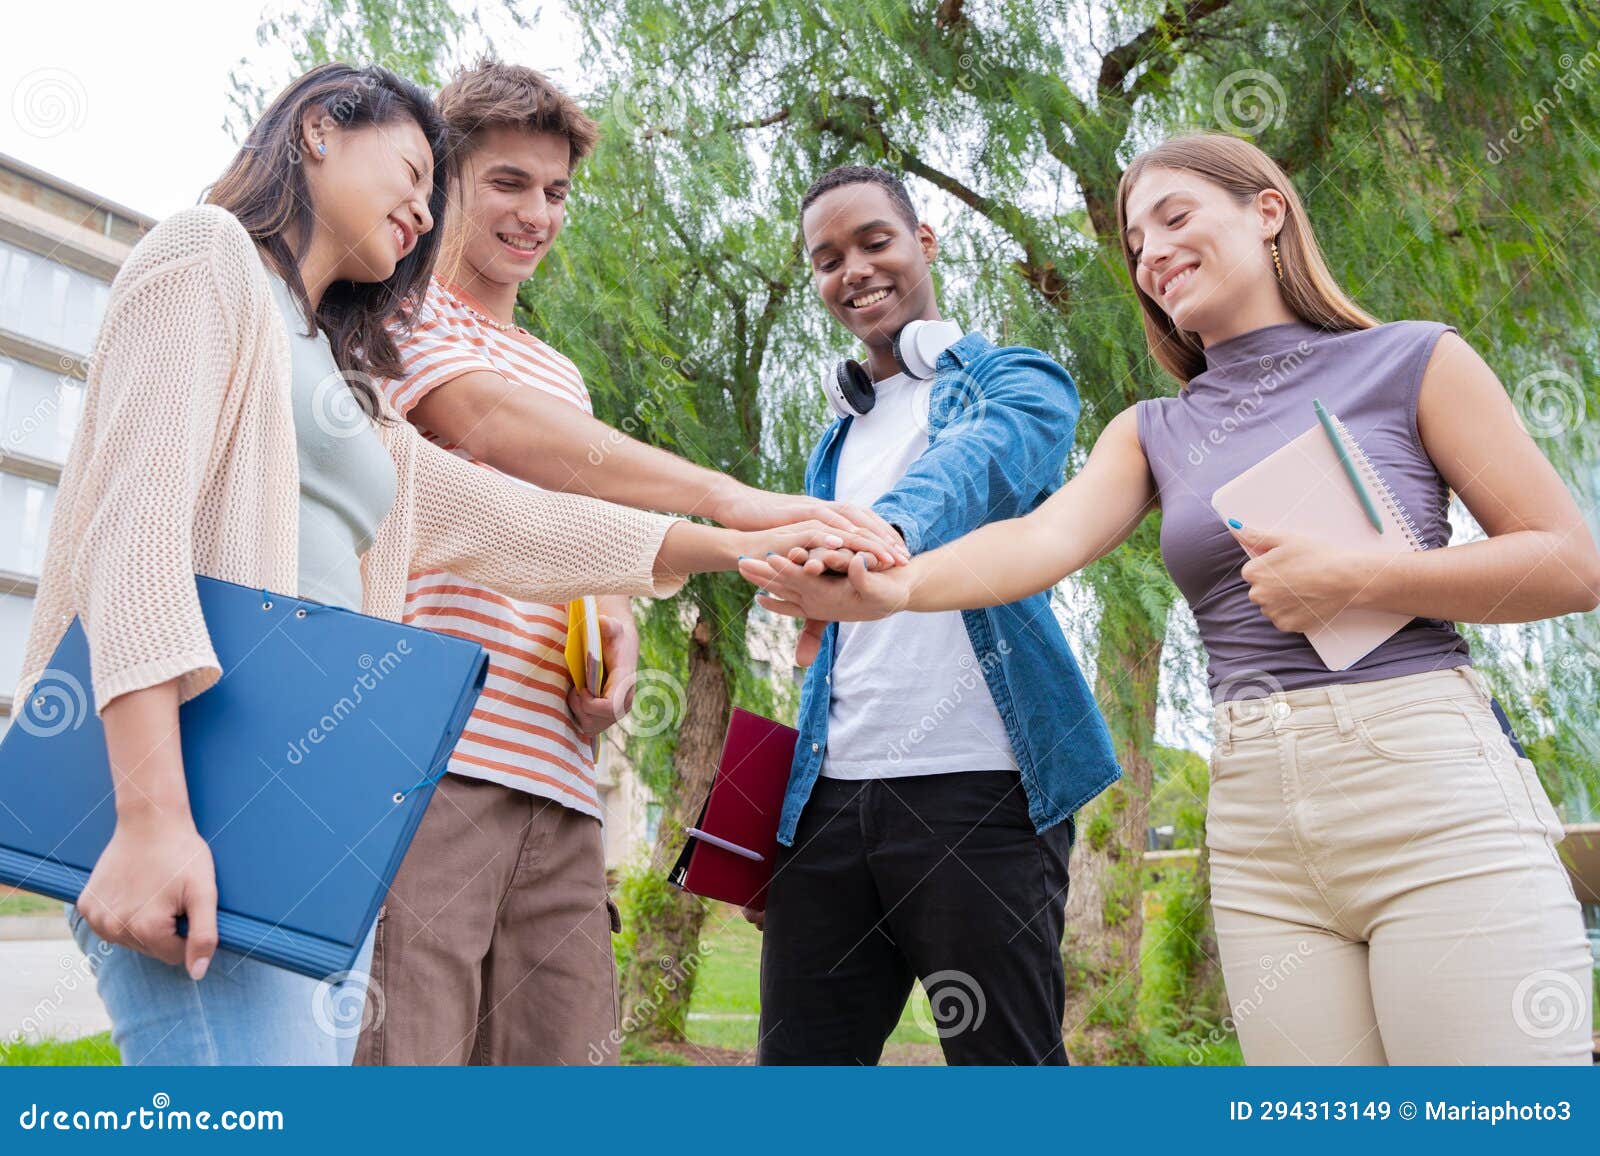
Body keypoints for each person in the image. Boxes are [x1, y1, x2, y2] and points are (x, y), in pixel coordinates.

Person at [21, 62, 872, 1067]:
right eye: (420, 172)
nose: (424, 211)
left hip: (304, 809)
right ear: (321, 130)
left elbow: (514, 523)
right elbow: (137, 537)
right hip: (203, 792)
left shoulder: (349, 379)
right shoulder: (208, 255)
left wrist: (729, 542)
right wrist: (153, 816)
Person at [740, 133, 1600, 1065]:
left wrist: (1361, 577)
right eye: (1135, 241)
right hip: (1258, 811)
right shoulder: (1153, 429)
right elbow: (1038, 541)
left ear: (1267, 211)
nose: (1150, 251)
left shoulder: (1413, 360)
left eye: (1174, 218)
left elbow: (1567, 563)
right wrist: (891, 587)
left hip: (1425, 775)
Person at [352, 61, 903, 1067]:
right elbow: (486, 427)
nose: (537, 214)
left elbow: (584, 527)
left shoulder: (560, 374)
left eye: (556, 192)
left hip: (559, 779)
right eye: (509, 183)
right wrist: (727, 501)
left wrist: (617, 619)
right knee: (411, 1065)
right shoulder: (396, 315)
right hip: (433, 763)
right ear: (442, 184)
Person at [745, 166, 1121, 1067]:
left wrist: (881, 533)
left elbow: (982, 464)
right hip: (830, 804)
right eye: (827, 259)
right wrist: (774, 814)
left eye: (875, 240)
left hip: (979, 791)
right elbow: (816, 642)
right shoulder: (835, 440)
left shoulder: (1014, 381)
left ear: (926, 241)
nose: (855, 270)